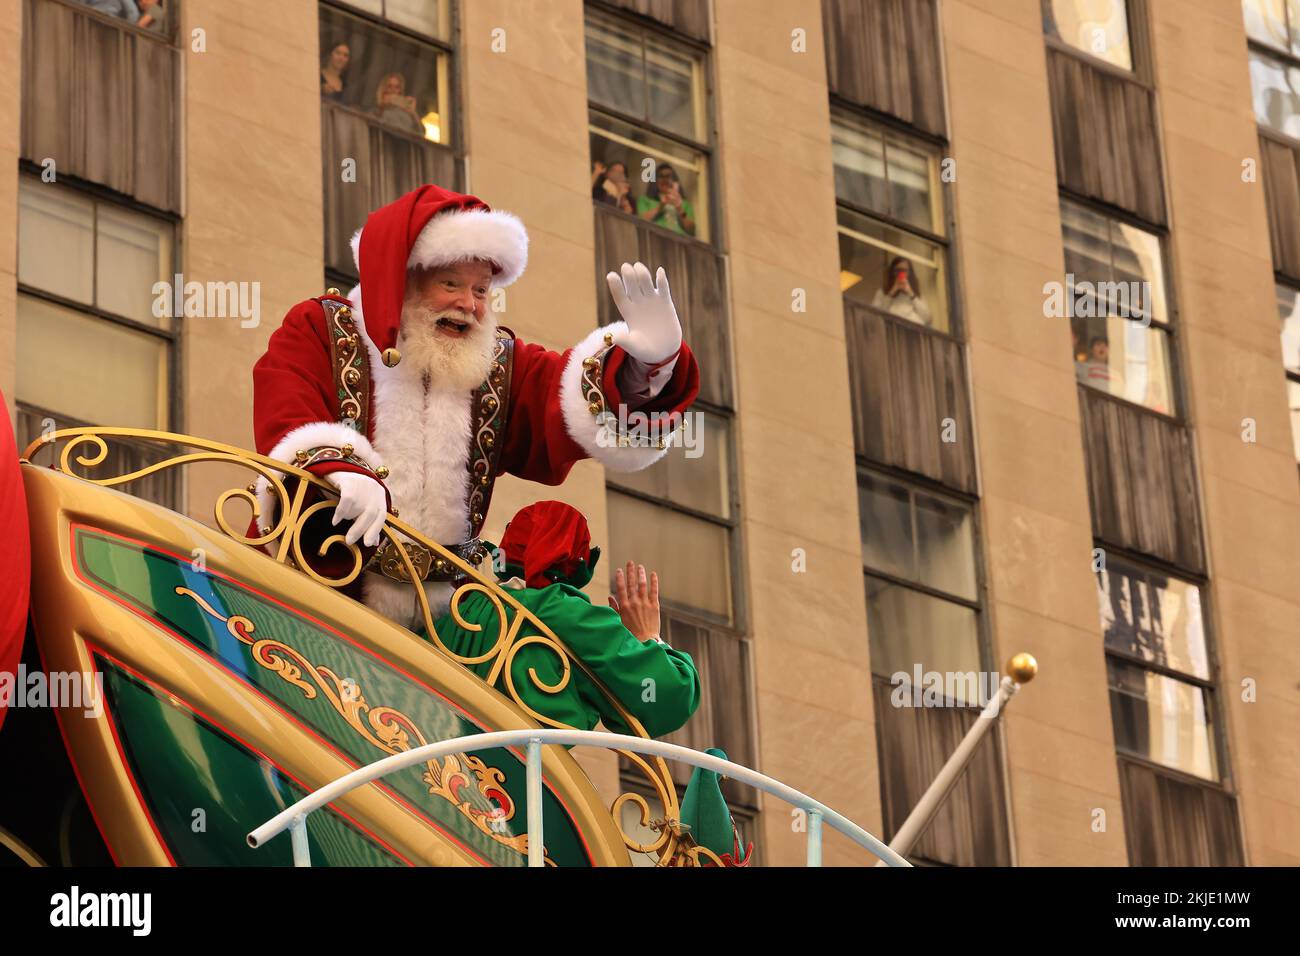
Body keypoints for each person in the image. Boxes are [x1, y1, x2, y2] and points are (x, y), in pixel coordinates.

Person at [251, 184, 701, 629]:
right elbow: (288, 404)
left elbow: (559, 397)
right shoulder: (322, 328)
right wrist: (338, 467)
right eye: (451, 284)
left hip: (442, 630)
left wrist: (646, 365)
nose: (469, 305)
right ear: (401, 280)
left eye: (482, 291)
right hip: (309, 594)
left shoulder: (496, 364)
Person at [428, 501, 700, 738]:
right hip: (517, 777)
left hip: (432, 766)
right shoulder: (561, 611)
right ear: (572, 559)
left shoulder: (460, 611)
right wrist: (647, 636)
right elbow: (667, 697)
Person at [871, 256, 933, 327]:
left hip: (912, 333)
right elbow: (875, 316)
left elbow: (927, 318)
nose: (901, 274)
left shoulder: (917, 294)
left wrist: (911, 294)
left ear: (909, 273)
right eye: (898, 270)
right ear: (892, 272)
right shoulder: (882, 293)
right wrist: (892, 292)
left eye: (904, 270)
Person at [636, 164, 696, 237]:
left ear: (674, 181)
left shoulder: (685, 204)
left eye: (668, 176)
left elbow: (691, 231)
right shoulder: (645, 200)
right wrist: (660, 207)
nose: (665, 180)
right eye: (661, 176)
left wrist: (679, 209)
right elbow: (640, 223)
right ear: (655, 181)